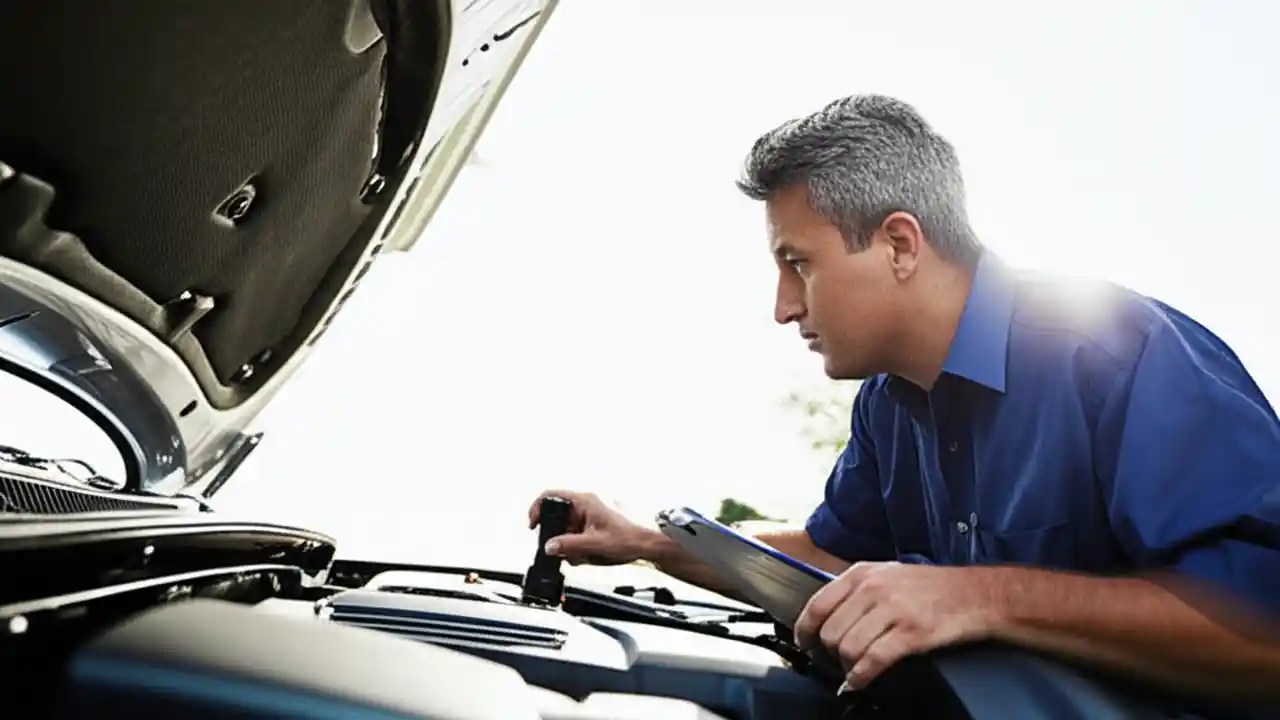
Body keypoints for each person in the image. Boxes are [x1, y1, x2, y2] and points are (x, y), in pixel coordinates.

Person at [527, 94, 1280, 706]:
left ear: (898, 244)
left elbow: (1264, 638)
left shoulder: (1113, 354)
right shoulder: (888, 403)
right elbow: (835, 558)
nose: (784, 307)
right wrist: (647, 542)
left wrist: (979, 598)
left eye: (798, 264)